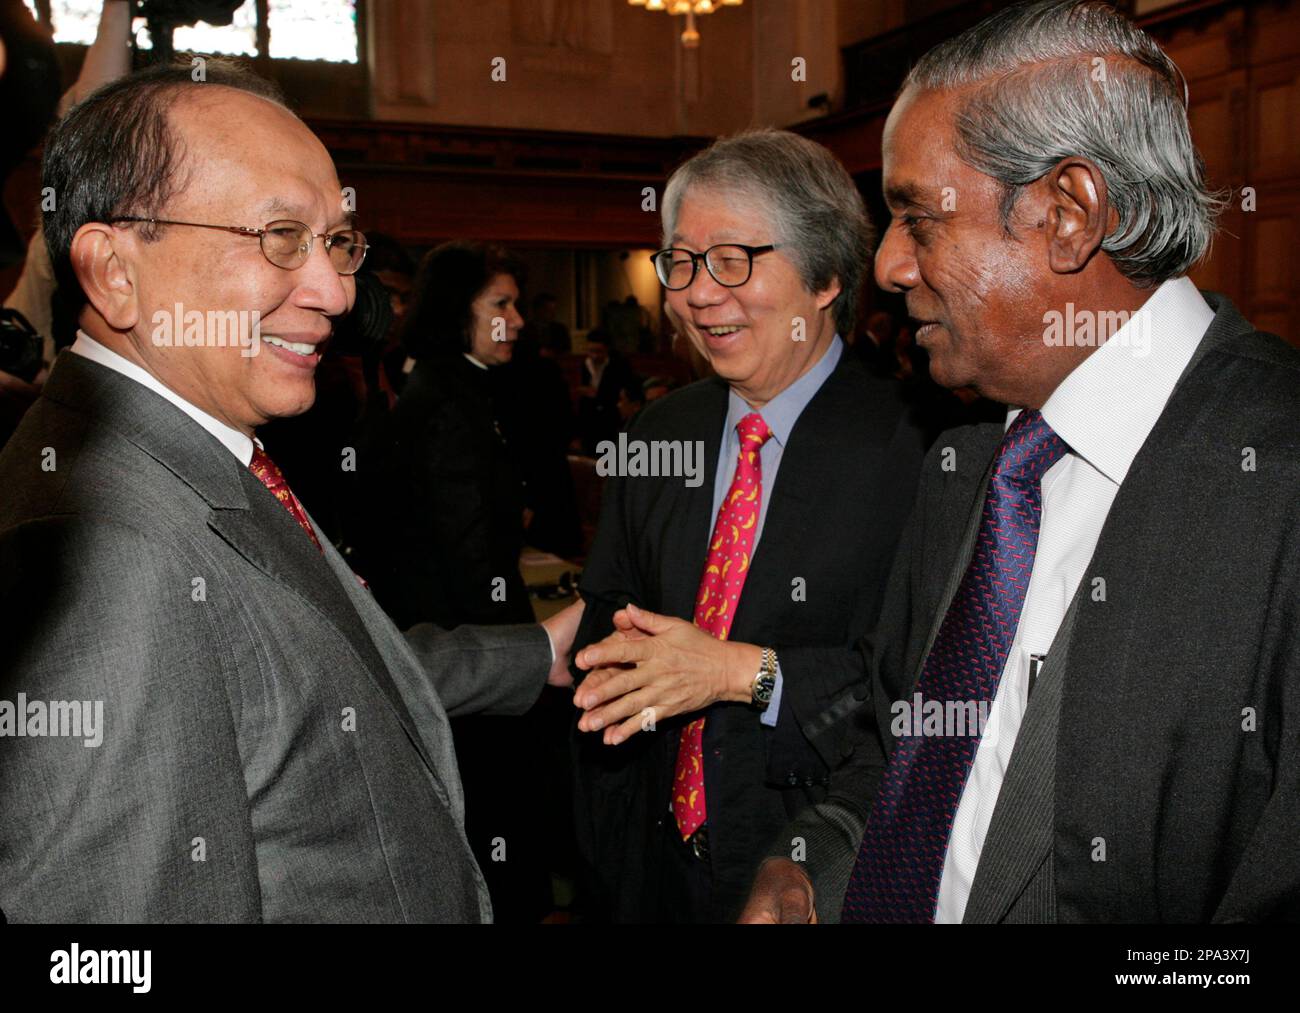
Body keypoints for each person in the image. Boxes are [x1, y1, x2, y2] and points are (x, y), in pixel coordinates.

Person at [735, 0, 1300, 923]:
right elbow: (897, 749)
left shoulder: (1276, 480)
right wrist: (808, 866)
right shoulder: (966, 467)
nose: (886, 265)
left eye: (917, 218)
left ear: (1067, 215)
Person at [0, 60, 583, 923]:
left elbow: (296, 677)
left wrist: (536, 652)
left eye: (338, 243)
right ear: (116, 271)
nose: (335, 293)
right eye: (279, 237)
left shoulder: (190, 440)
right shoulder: (104, 552)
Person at [568, 128, 929, 922]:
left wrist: (744, 673)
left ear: (828, 274)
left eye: (733, 260)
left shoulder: (920, 448)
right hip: (649, 868)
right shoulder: (659, 434)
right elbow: (609, 619)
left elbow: (915, 692)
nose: (699, 293)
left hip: (807, 870)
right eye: (681, 263)